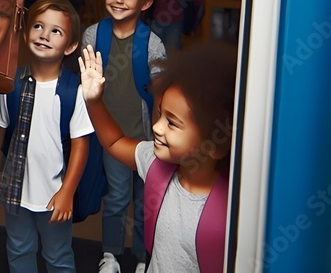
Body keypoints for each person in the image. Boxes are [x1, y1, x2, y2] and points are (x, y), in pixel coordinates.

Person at [79, 42, 236, 272]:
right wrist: (93, 101)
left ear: (215, 145)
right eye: (161, 114)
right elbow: (114, 142)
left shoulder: (233, 209)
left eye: (172, 123)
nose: (157, 127)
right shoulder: (154, 162)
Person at [0, 0, 93, 272]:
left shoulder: (74, 92)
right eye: (38, 26)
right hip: (15, 191)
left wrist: (67, 192)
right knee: (18, 250)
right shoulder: (9, 85)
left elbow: (81, 146)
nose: (44, 35)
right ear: (25, 32)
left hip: (55, 194)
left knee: (58, 256)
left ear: (71, 46)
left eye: (56, 31)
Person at [82, 0, 167, 273]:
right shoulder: (93, 35)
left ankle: (145, 258)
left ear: (145, 3)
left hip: (145, 136)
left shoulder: (152, 43)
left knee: (147, 201)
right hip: (112, 137)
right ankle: (111, 255)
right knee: (116, 198)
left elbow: (160, 94)